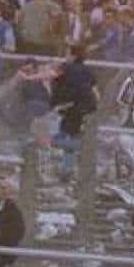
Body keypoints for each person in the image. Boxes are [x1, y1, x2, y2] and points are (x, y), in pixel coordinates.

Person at [49, 45, 98, 181]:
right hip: (81, 109)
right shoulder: (87, 70)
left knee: (52, 140)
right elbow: (96, 92)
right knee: (70, 139)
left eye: (67, 54)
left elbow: (52, 75)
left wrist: (33, 76)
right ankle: (67, 171)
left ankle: (84, 148)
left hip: (70, 109)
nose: (65, 56)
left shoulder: (67, 67)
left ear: (73, 56)